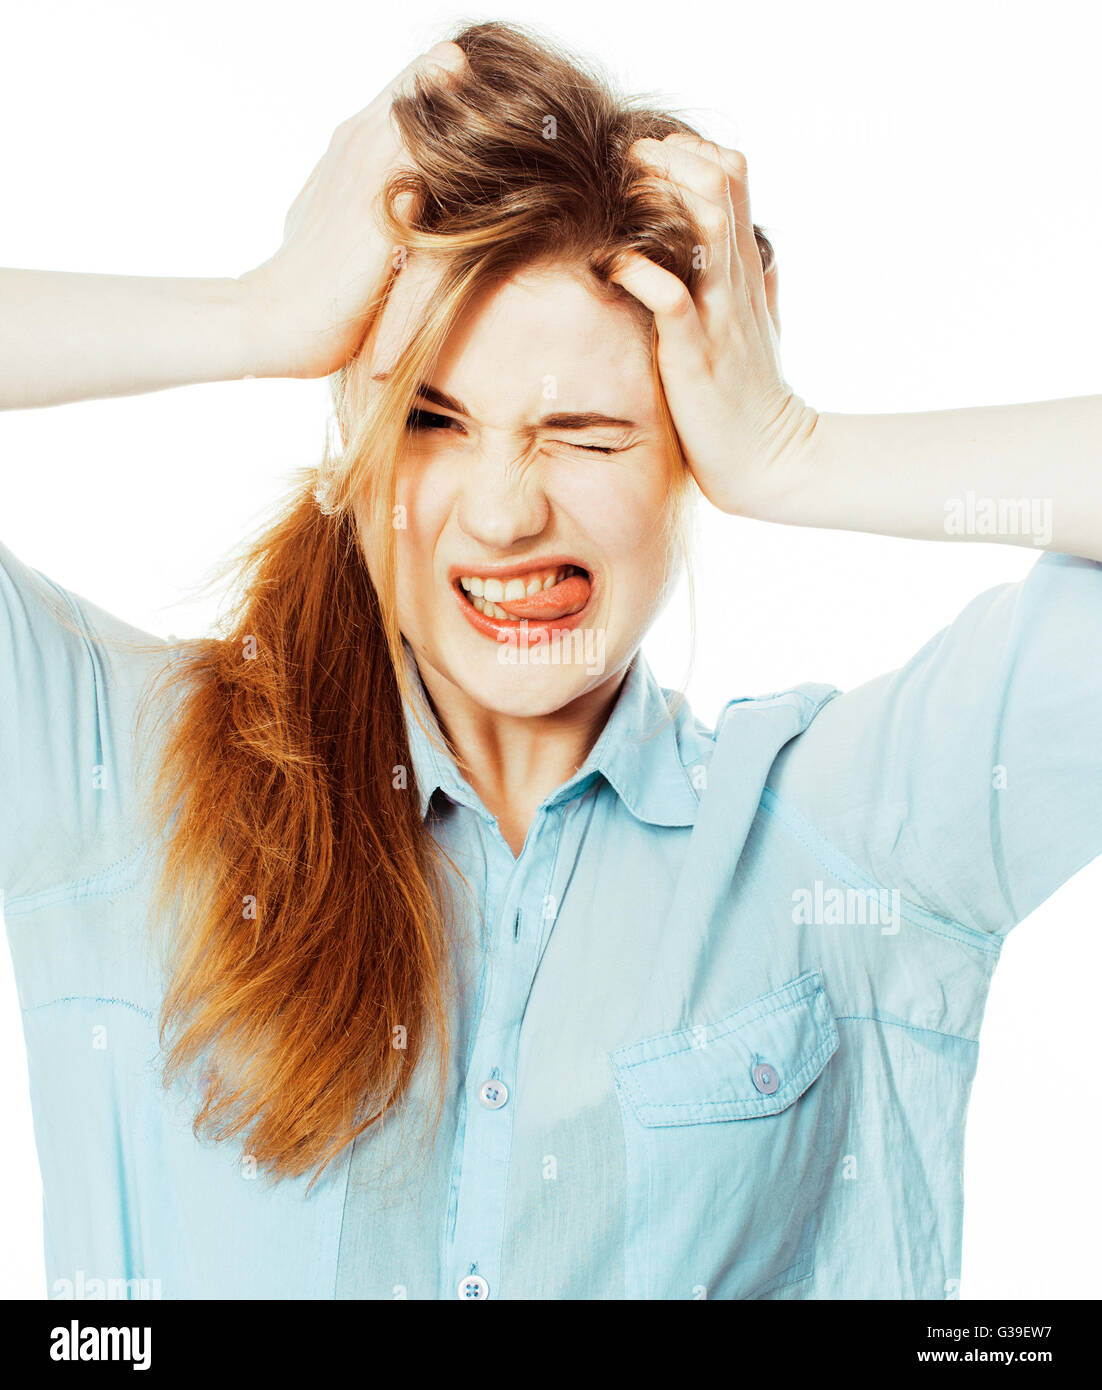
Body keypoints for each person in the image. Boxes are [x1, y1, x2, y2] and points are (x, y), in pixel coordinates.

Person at [1, 19, 1100, 1301]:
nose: (503, 511)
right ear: (349, 426)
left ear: (692, 443)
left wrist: (798, 448)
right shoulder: (110, 779)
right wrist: (257, 312)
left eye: (584, 433)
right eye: (431, 420)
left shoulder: (842, 835)